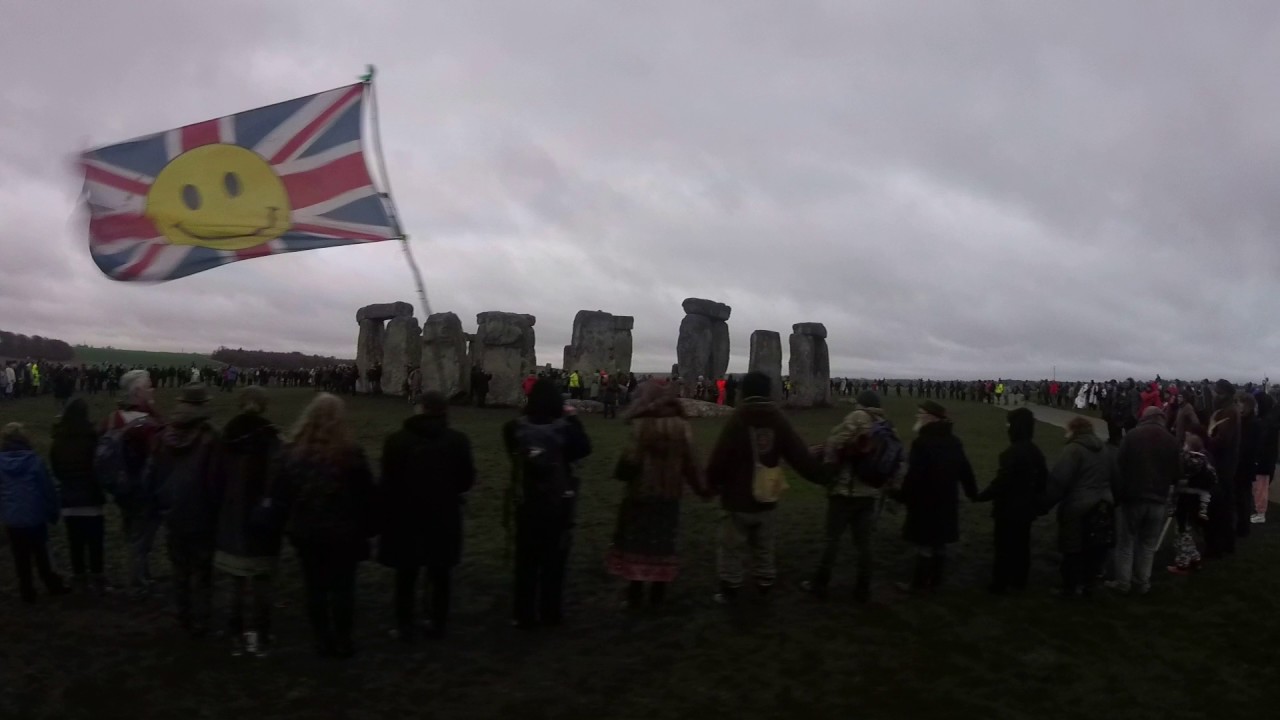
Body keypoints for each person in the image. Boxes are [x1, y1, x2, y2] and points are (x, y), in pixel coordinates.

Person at [705, 371, 826, 604]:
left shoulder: (738, 418)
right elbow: (798, 454)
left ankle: (731, 587)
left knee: (731, 546)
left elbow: (720, 457)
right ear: (769, 391)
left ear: (744, 391)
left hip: (736, 497)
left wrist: (710, 484)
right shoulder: (777, 419)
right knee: (764, 544)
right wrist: (821, 475)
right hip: (767, 496)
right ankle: (765, 582)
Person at [272, 394, 376, 658]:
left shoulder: (292, 454)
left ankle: (322, 640)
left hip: (307, 532)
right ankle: (343, 641)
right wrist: (368, 527)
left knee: (314, 587)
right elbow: (367, 496)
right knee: (343, 588)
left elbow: (281, 494)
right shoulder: (351, 454)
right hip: (344, 532)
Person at [379, 391, 476, 641]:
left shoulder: (396, 441)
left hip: (405, 515)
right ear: (444, 411)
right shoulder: (458, 441)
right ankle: (437, 623)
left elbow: (387, 482)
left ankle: (404, 625)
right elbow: (466, 480)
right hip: (443, 514)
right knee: (440, 572)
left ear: (420, 409)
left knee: (406, 573)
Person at [606, 381, 704, 609]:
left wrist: (622, 471)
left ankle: (635, 595)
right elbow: (690, 463)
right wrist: (702, 487)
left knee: (638, 544)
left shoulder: (642, 425)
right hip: (669, 494)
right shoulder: (681, 426)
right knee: (663, 544)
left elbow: (629, 463)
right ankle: (658, 595)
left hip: (641, 494)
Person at [503, 379, 592, 628]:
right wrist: (572, 418)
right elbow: (584, 449)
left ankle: (523, 613)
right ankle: (551, 612)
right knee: (555, 560)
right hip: (558, 502)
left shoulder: (513, 428)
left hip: (527, 501)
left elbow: (512, 452)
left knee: (526, 560)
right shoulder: (565, 430)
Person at [801, 390, 902, 602]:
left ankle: (820, 583)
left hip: (845, 491)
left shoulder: (858, 417)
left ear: (861, 404)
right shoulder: (887, 426)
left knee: (832, 539)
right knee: (864, 544)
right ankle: (863, 588)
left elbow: (835, 441)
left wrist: (825, 464)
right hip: (870, 494)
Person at [144, 383, 223, 637]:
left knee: (179, 569)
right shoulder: (211, 438)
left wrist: (158, 504)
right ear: (202, 406)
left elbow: (152, 475)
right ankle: (201, 621)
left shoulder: (162, 436)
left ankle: (183, 616)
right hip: (202, 516)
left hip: (172, 513)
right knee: (202, 572)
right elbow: (216, 482)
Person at [213, 386, 282, 657]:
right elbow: (279, 477)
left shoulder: (226, 435)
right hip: (263, 517)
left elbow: (216, 478)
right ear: (263, 405)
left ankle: (235, 635)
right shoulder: (272, 435)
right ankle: (261, 635)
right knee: (262, 581)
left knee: (236, 582)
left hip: (233, 516)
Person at [894, 401, 977, 594]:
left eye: (920, 413)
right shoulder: (953, 441)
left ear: (931, 418)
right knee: (939, 542)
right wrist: (972, 491)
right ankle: (936, 580)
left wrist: (902, 496)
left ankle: (918, 584)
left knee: (924, 543)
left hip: (925, 501)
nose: (917, 416)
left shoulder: (922, 443)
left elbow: (914, 476)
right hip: (947, 500)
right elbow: (965, 469)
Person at [973, 407, 1047, 594]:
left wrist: (981, 496)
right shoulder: (1035, 451)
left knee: (1003, 546)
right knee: (1022, 545)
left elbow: (1001, 483)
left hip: (1008, 509)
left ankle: (1000, 583)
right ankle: (1020, 580)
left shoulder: (1011, 453)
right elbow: (1043, 479)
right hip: (1026, 508)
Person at [1042, 416, 1118, 597]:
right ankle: (1090, 584)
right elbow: (1116, 478)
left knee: (1072, 548)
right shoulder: (1106, 450)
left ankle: (1070, 587)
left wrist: (1044, 504)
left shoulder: (1073, 450)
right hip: (1103, 504)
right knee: (1096, 547)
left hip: (1079, 505)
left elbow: (1059, 480)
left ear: (1074, 430)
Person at [104, 368, 164, 595]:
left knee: (133, 532)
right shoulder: (147, 423)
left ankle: (141, 573)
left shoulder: (113, 418)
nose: (153, 389)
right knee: (143, 537)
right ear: (138, 391)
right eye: (149, 386)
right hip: (144, 488)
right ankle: (139, 579)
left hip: (121, 487)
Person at [1109, 407, 1180, 596]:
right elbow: (1177, 473)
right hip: (1158, 499)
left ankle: (1123, 582)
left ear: (1144, 418)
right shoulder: (1171, 441)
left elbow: (1118, 465)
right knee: (1147, 544)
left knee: (1126, 542)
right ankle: (1143, 582)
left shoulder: (1132, 436)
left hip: (1132, 497)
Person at [0, 423, 69, 603]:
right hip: (35, 515)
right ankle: (51, 584)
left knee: (20, 556)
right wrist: (53, 511)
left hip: (13, 518)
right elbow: (47, 489)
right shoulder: (34, 461)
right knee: (41, 553)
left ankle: (27, 590)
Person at [50, 398, 108, 595]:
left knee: (75, 543)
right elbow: (99, 469)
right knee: (95, 543)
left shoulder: (58, 441)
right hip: (91, 498)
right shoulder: (92, 439)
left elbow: (56, 470)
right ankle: (98, 580)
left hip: (69, 500)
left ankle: (79, 579)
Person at [1168, 435, 1215, 575]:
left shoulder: (1188, 461)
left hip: (1186, 501)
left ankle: (1182, 564)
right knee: (1188, 532)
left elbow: (1177, 477)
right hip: (1198, 502)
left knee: (1182, 533)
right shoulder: (1206, 461)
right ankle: (1195, 558)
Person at [1205, 380, 1240, 558]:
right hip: (1222, 463)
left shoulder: (1229, 412)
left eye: (1216, 392)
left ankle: (1219, 545)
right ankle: (1224, 542)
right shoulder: (1224, 410)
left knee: (1220, 505)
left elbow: (1222, 441)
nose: (1213, 395)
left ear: (1224, 393)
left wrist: (1208, 437)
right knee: (1222, 505)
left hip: (1223, 464)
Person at [1234, 393, 1261, 538]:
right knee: (1240, 496)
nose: (1238, 406)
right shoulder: (1243, 421)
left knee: (1243, 496)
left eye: (1240, 403)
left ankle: (1243, 527)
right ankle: (1241, 525)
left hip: (1245, 465)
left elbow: (1249, 446)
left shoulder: (1253, 424)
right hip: (1242, 464)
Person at [1252, 392, 1279, 524]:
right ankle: (1259, 510)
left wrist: (1257, 459)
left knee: (1261, 488)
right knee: (1260, 487)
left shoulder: (1266, 423)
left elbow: (1262, 444)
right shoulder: (1267, 419)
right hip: (1265, 459)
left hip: (1263, 461)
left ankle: (1260, 513)